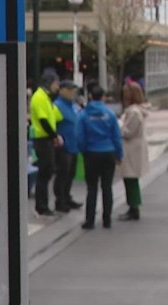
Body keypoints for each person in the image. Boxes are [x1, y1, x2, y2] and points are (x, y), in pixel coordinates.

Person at [75, 83, 123, 230]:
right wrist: (119, 154)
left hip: (91, 153)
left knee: (92, 188)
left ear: (90, 96)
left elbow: (79, 135)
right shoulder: (110, 114)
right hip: (108, 152)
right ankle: (107, 219)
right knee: (107, 187)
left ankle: (89, 220)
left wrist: (83, 150)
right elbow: (116, 136)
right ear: (103, 97)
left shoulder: (83, 115)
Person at [29, 71, 63, 216]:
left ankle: (43, 205)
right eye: (56, 83)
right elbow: (43, 120)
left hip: (46, 138)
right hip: (43, 139)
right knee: (44, 173)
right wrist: (54, 136)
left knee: (47, 172)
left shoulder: (46, 98)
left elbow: (56, 116)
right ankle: (41, 206)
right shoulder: (39, 97)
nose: (58, 86)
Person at [53, 80, 83, 213]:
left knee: (70, 173)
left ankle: (67, 196)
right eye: (69, 89)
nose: (72, 92)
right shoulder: (57, 106)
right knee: (62, 173)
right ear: (62, 90)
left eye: (73, 89)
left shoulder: (74, 106)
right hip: (63, 145)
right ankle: (60, 200)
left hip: (74, 144)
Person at [119, 82, 148, 221]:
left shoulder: (133, 112)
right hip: (134, 148)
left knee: (130, 179)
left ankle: (133, 207)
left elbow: (128, 132)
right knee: (130, 179)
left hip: (131, 149)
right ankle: (132, 206)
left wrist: (118, 126)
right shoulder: (136, 110)